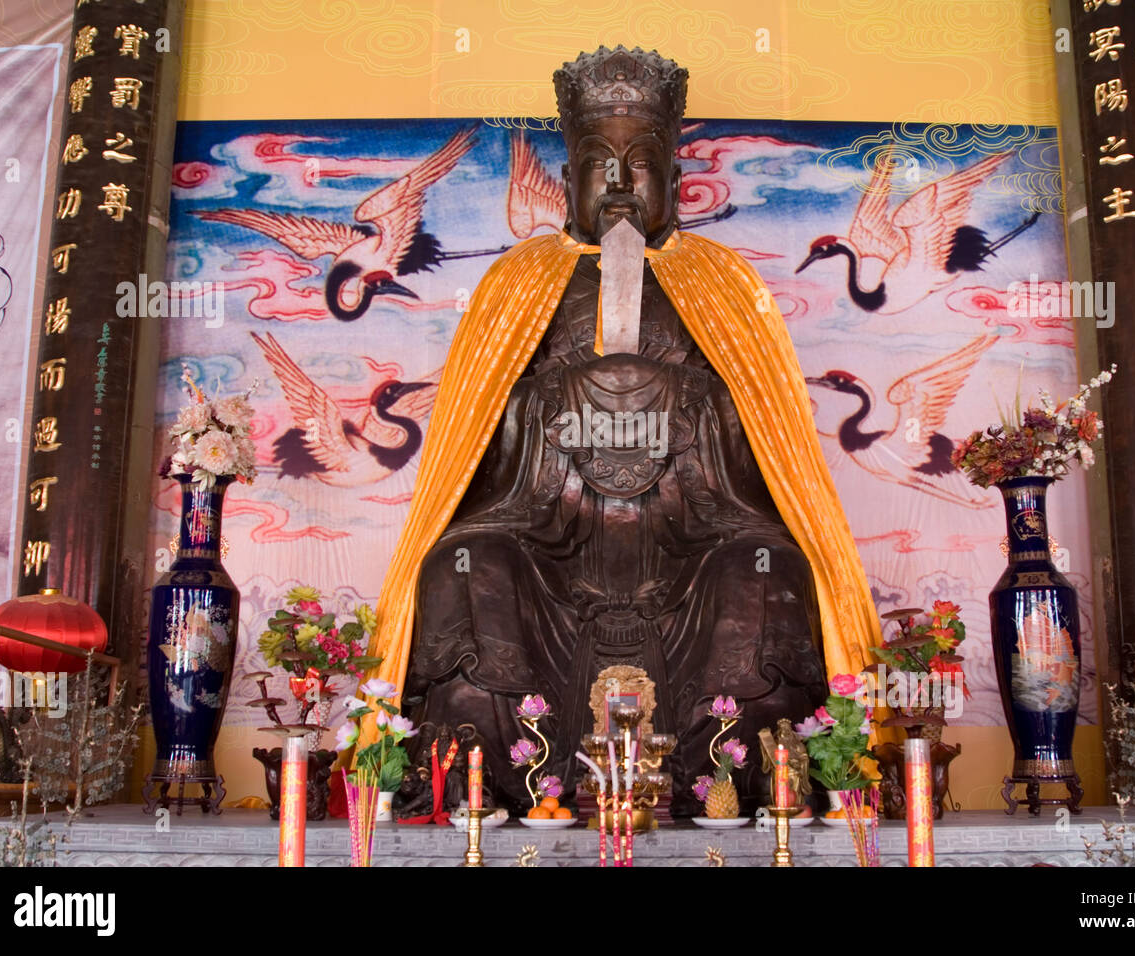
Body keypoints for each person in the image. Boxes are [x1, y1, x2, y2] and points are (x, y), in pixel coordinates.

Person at [369, 46, 881, 814]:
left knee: (767, 566)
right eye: (595, 163)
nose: (615, 182)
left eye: (638, 164)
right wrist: (550, 402)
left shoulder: (722, 283)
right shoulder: (518, 283)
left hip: (695, 526)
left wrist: (690, 401)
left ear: (673, 183)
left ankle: (726, 783)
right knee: (464, 566)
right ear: (568, 180)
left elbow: (766, 444)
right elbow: (476, 449)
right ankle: (500, 780)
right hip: (547, 521)